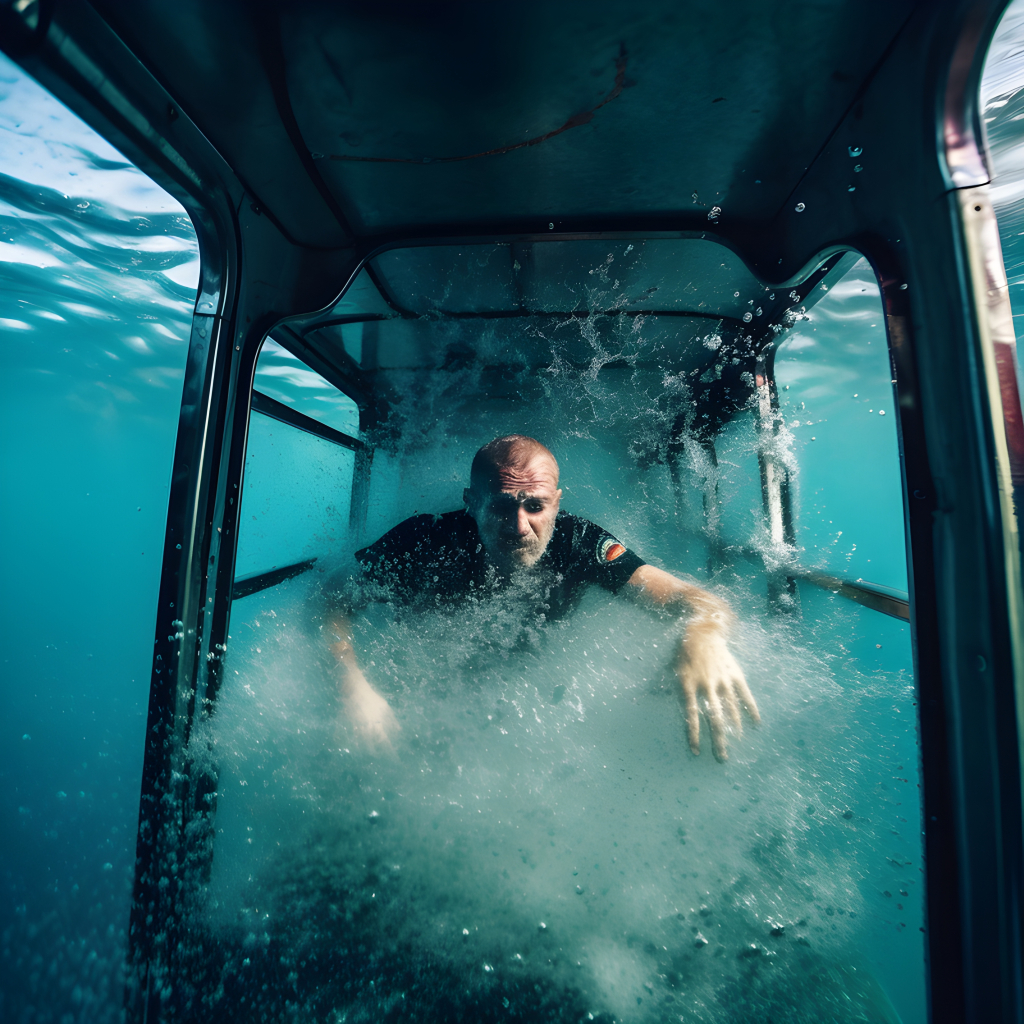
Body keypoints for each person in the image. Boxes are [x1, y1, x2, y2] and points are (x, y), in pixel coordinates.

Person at [326, 434, 759, 761]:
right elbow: (331, 598)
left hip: (523, 696)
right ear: (471, 503)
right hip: (426, 684)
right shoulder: (426, 539)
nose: (518, 526)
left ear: (556, 503)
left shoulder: (578, 541)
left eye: (535, 506)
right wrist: (350, 684)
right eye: (499, 507)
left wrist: (703, 634)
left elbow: (695, 600)